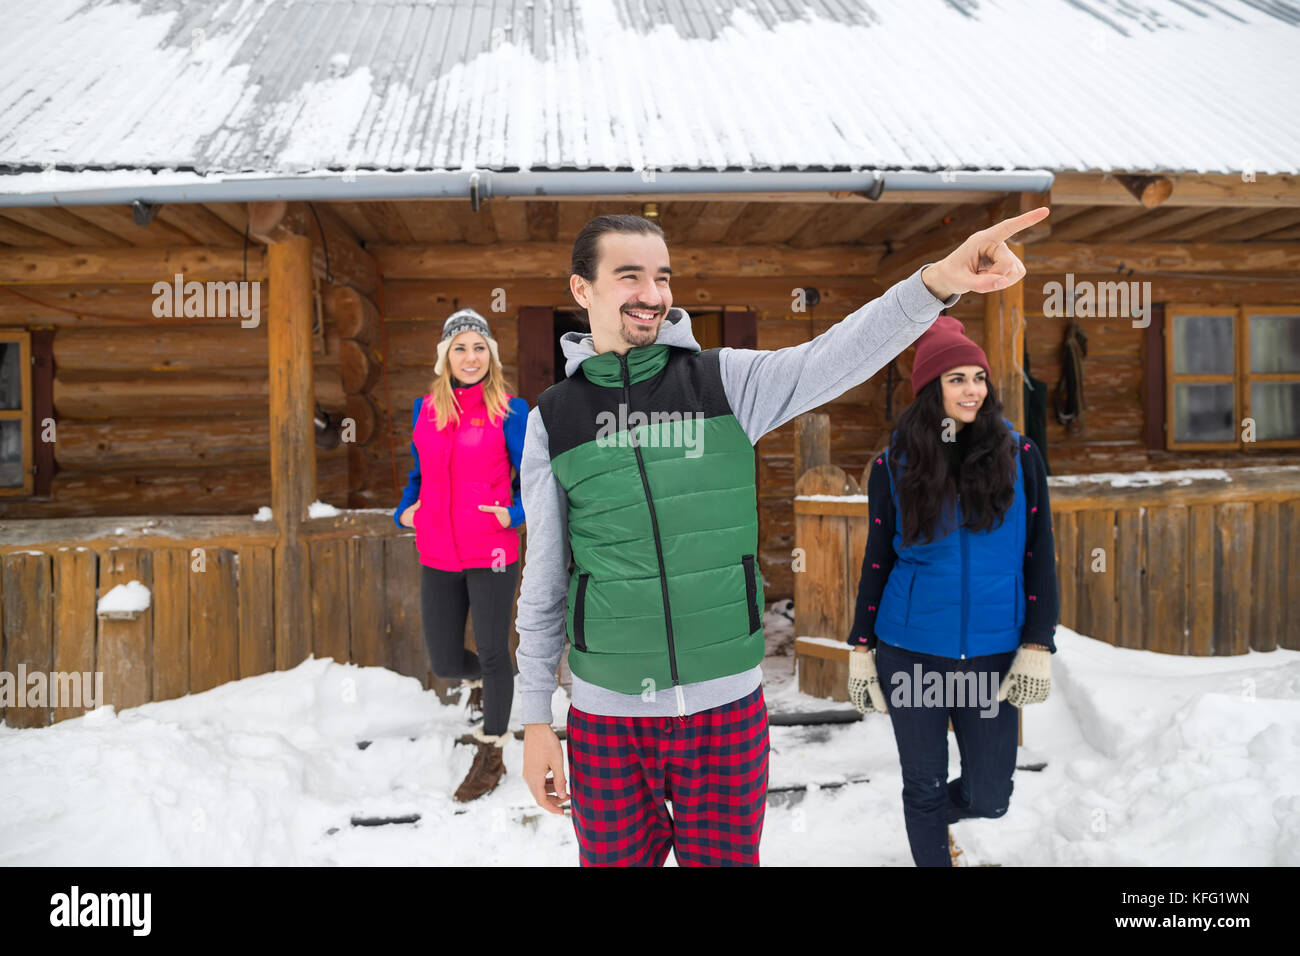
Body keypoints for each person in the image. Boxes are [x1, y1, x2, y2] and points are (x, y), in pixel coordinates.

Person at [515, 208, 1047, 867]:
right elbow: (542, 579)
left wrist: (936, 282)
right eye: (630, 276)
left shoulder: (725, 382)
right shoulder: (553, 419)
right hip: (606, 720)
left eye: (662, 277)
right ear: (582, 289)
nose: (652, 295)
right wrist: (535, 717)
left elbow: (836, 355)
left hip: (725, 712)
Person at [846, 314, 1059, 867]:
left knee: (991, 796)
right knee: (922, 785)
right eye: (956, 378)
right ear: (930, 390)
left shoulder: (1021, 457)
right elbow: (879, 557)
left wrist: (1037, 644)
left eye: (978, 378)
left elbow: (1040, 553)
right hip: (910, 649)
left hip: (991, 654)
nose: (971, 390)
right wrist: (861, 647)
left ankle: (944, 824)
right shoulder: (894, 464)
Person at [393, 307, 530, 802]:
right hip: (437, 549)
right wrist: (406, 510)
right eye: (460, 348)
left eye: (478, 347)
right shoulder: (425, 410)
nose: (470, 357)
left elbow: (538, 478)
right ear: (445, 356)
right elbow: (419, 475)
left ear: (490, 354)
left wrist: (511, 516)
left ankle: (491, 751)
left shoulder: (512, 411)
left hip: (491, 548)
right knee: (447, 660)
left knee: (494, 651)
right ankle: (494, 684)